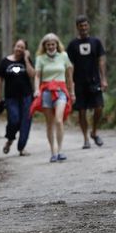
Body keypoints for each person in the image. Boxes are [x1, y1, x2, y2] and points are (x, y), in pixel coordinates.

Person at [30, 33, 74, 163]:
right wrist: (37, 89)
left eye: (52, 44)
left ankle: (60, 150)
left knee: (59, 120)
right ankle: (53, 152)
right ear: (44, 46)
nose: (50, 46)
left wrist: (72, 92)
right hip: (46, 91)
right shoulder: (40, 58)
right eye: (48, 44)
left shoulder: (64, 56)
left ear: (57, 44)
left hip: (61, 90)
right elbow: (37, 75)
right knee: (49, 123)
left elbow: (70, 75)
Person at [66, 15, 108, 149]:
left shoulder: (96, 42)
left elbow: (101, 60)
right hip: (79, 82)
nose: (83, 28)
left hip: (94, 80)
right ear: (77, 27)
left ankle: (94, 132)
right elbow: (69, 65)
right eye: (80, 26)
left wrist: (103, 79)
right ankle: (85, 139)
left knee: (99, 107)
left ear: (88, 26)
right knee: (82, 111)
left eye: (85, 25)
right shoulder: (72, 45)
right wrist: (70, 83)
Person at [0, 39, 35, 156]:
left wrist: (26, 59)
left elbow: (32, 74)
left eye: (22, 47)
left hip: (26, 96)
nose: (19, 49)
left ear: (25, 50)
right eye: (18, 46)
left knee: (26, 122)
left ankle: (21, 148)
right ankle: (10, 140)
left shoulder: (26, 61)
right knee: (14, 120)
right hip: (11, 97)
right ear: (14, 47)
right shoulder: (5, 61)